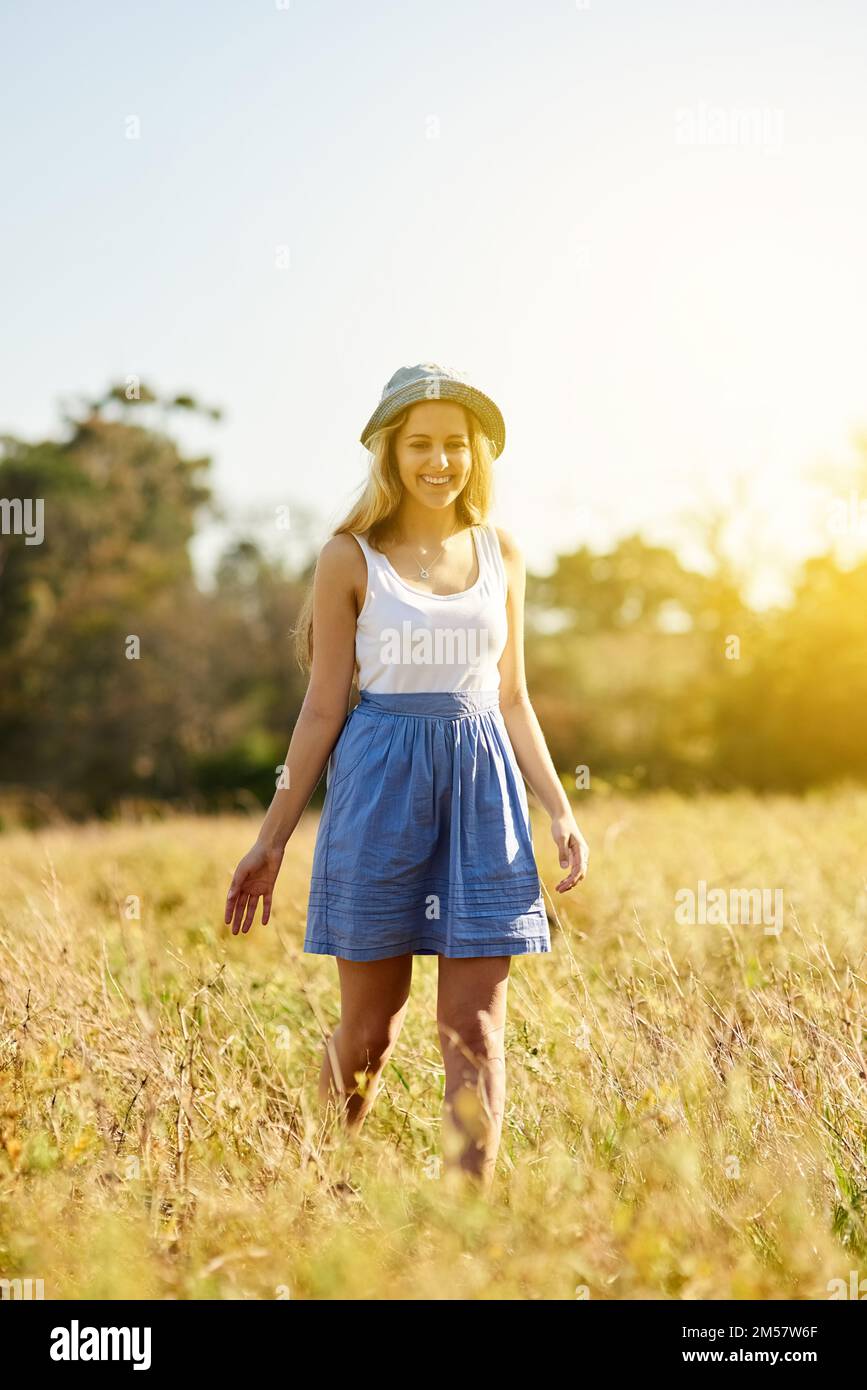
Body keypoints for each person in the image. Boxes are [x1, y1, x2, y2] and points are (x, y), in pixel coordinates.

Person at [224, 362, 589, 1192]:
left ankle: (469, 1227)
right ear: (390, 453)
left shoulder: (503, 551)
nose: (438, 461)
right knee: (370, 1032)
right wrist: (269, 840)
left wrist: (559, 812)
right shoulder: (347, 557)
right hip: (380, 783)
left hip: (482, 787)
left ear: (476, 453)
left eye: (453, 445)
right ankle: (310, 1192)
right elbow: (322, 710)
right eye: (419, 444)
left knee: (477, 1031)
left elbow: (512, 696)